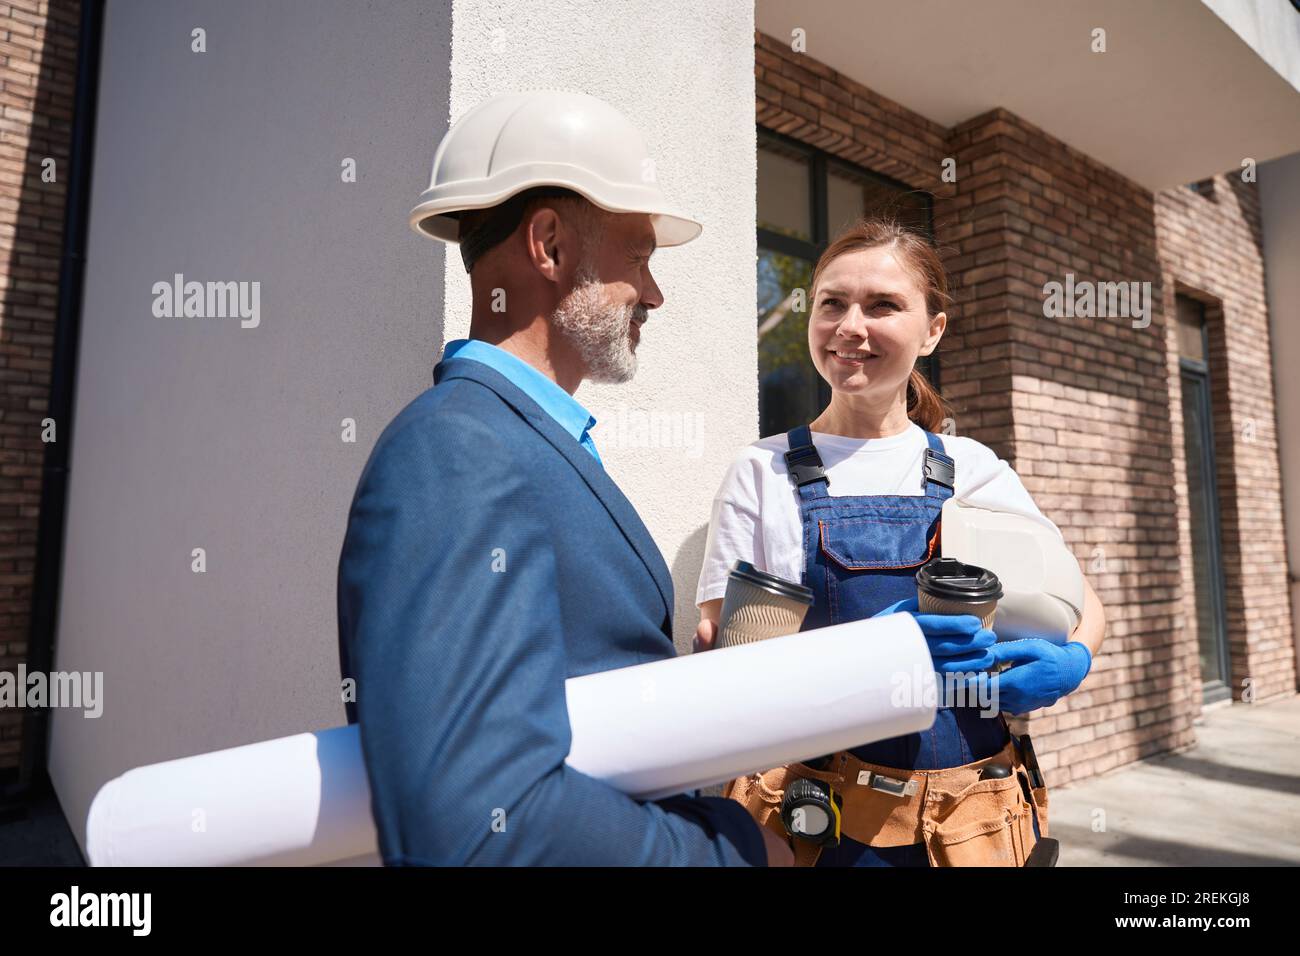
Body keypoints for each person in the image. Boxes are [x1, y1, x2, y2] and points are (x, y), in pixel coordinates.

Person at [336, 90, 791, 866]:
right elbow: (473, 823)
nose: (654, 294)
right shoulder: (455, 451)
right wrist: (731, 854)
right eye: (639, 257)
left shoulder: (520, 440)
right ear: (548, 245)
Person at [694, 218, 1106, 867]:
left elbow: (1081, 600)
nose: (850, 327)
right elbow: (733, 678)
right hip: (822, 829)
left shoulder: (973, 469)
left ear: (932, 329)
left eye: (882, 305)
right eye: (832, 303)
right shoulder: (764, 472)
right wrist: (871, 653)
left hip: (977, 826)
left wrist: (1073, 659)